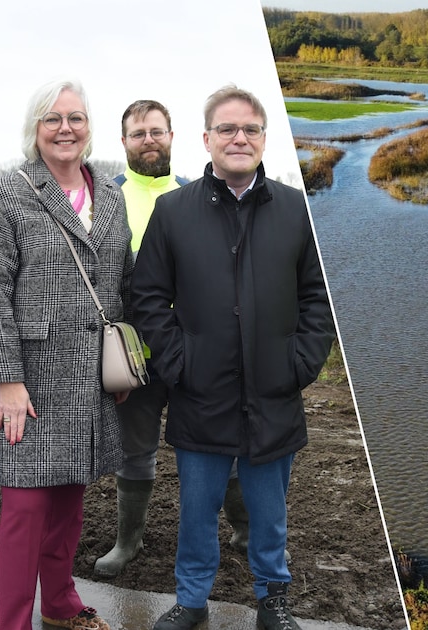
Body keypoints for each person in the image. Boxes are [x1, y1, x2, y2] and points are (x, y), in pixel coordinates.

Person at [133, 85, 335, 630]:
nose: (239, 137)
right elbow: (147, 297)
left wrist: (301, 362)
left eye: (250, 129)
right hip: (201, 393)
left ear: (265, 138)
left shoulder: (296, 210)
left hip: (275, 391)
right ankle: (191, 600)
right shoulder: (173, 211)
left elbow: (319, 296)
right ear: (207, 139)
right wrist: (180, 362)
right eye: (227, 129)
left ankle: (273, 599)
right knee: (197, 512)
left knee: (269, 514)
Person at [0, 79, 129, 630]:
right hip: (31, 379)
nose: (66, 128)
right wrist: (6, 380)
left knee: (69, 500)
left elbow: (118, 283)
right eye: (53, 118)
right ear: (34, 129)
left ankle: (59, 603)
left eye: (76, 118)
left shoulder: (110, 194)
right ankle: (13, 621)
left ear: (89, 127)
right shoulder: (9, 193)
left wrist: (120, 363)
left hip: (90, 378)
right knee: (25, 508)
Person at [95, 99, 256, 579]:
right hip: (134, 359)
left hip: (197, 356)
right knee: (135, 451)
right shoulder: (106, 201)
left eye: (157, 131)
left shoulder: (200, 195)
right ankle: (129, 541)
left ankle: (245, 533)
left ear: (172, 136)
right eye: (138, 133)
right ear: (123, 141)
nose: (149, 140)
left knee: (222, 446)